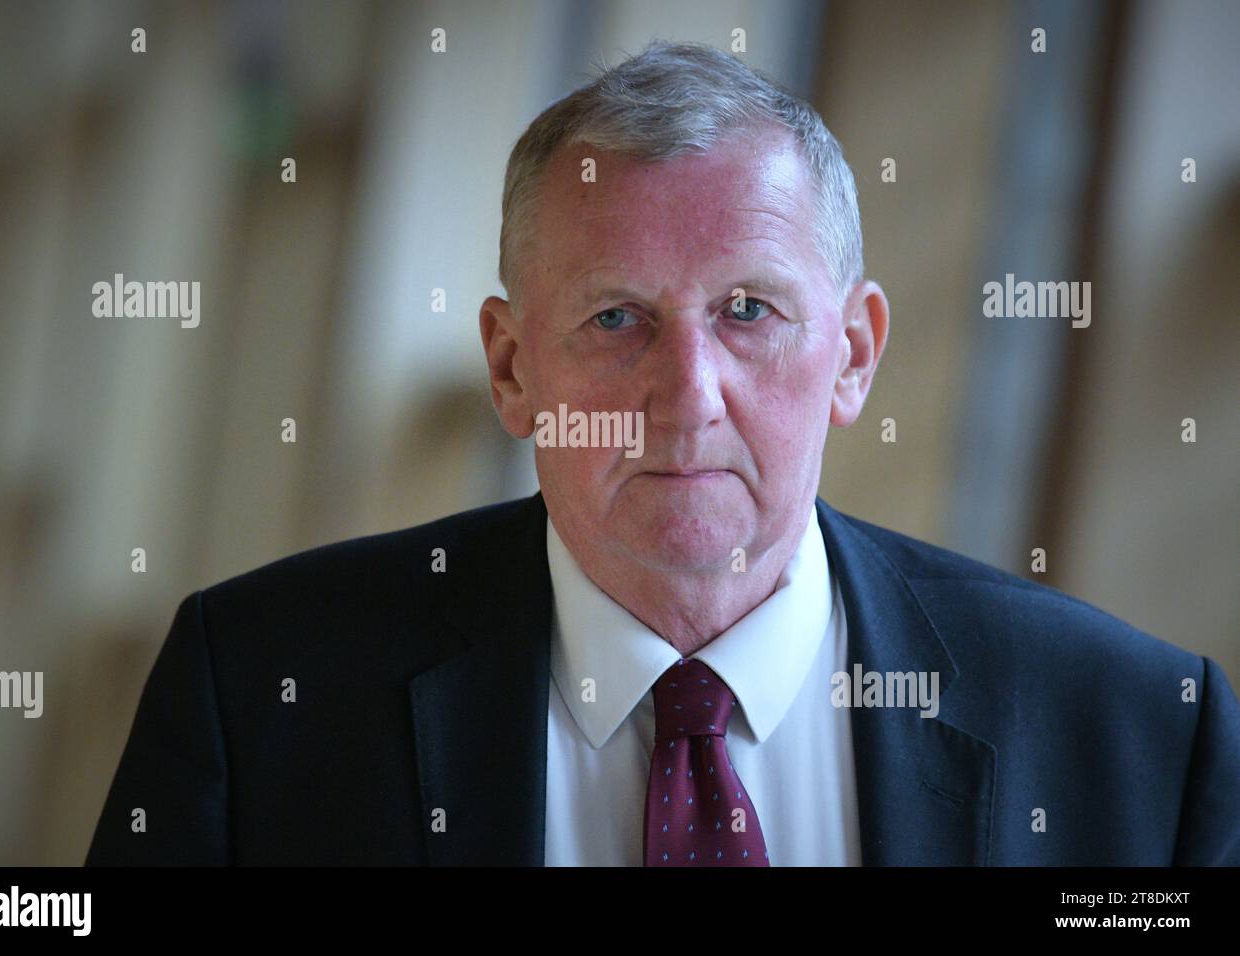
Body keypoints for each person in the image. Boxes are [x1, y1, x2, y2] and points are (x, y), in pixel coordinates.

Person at [85, 40, 1240, 866]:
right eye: (614, 318)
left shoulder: (1131, 732)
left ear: (852, 353)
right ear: (509, 367)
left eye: (748, 310)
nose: (687, 399)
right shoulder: (263, 695)